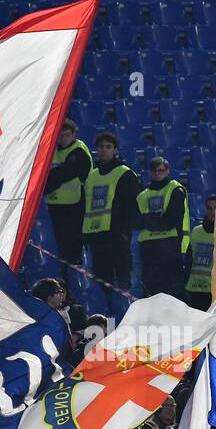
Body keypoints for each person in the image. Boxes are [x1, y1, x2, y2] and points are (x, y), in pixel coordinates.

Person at [82, 132, 140, 315]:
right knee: (102, 279)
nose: (104, 150)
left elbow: (132, 206)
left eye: (108, 147)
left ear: (115, 150)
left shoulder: (125, 174)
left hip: (117, 236)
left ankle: (127, 315)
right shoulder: (91, 175)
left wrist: (123, 232)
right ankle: (108, 316)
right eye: (101, 147)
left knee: (122, 280)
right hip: (96, 235)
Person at [134, 156, 190, 301]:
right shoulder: (142, 195)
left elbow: (172, 220)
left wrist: (148, 218)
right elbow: (135, 221)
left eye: (161, 170)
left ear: (168, 171)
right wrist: (159, 217)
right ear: (149, 172)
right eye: (154, 171)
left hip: (171, 246)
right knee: (153, 290)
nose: (157, 174)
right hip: (149, 248)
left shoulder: (175, 189)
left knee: (174, 290)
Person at [44, 118, 93, 267]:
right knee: (62, 249)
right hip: (55, 205)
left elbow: (64, 173)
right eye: (60, 135)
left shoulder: (78, 150)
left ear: (73, 135)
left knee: (73, 247)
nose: (63, 139)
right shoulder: (52, 149)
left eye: (67, 135)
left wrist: (46, 184)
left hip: (75, 204)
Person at [184, 194, 216, 311]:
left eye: (215, 208)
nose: (212, 212)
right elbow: (189, 261)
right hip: (193, 288)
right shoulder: (196, 232)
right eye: (209, 208)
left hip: (214, 290)